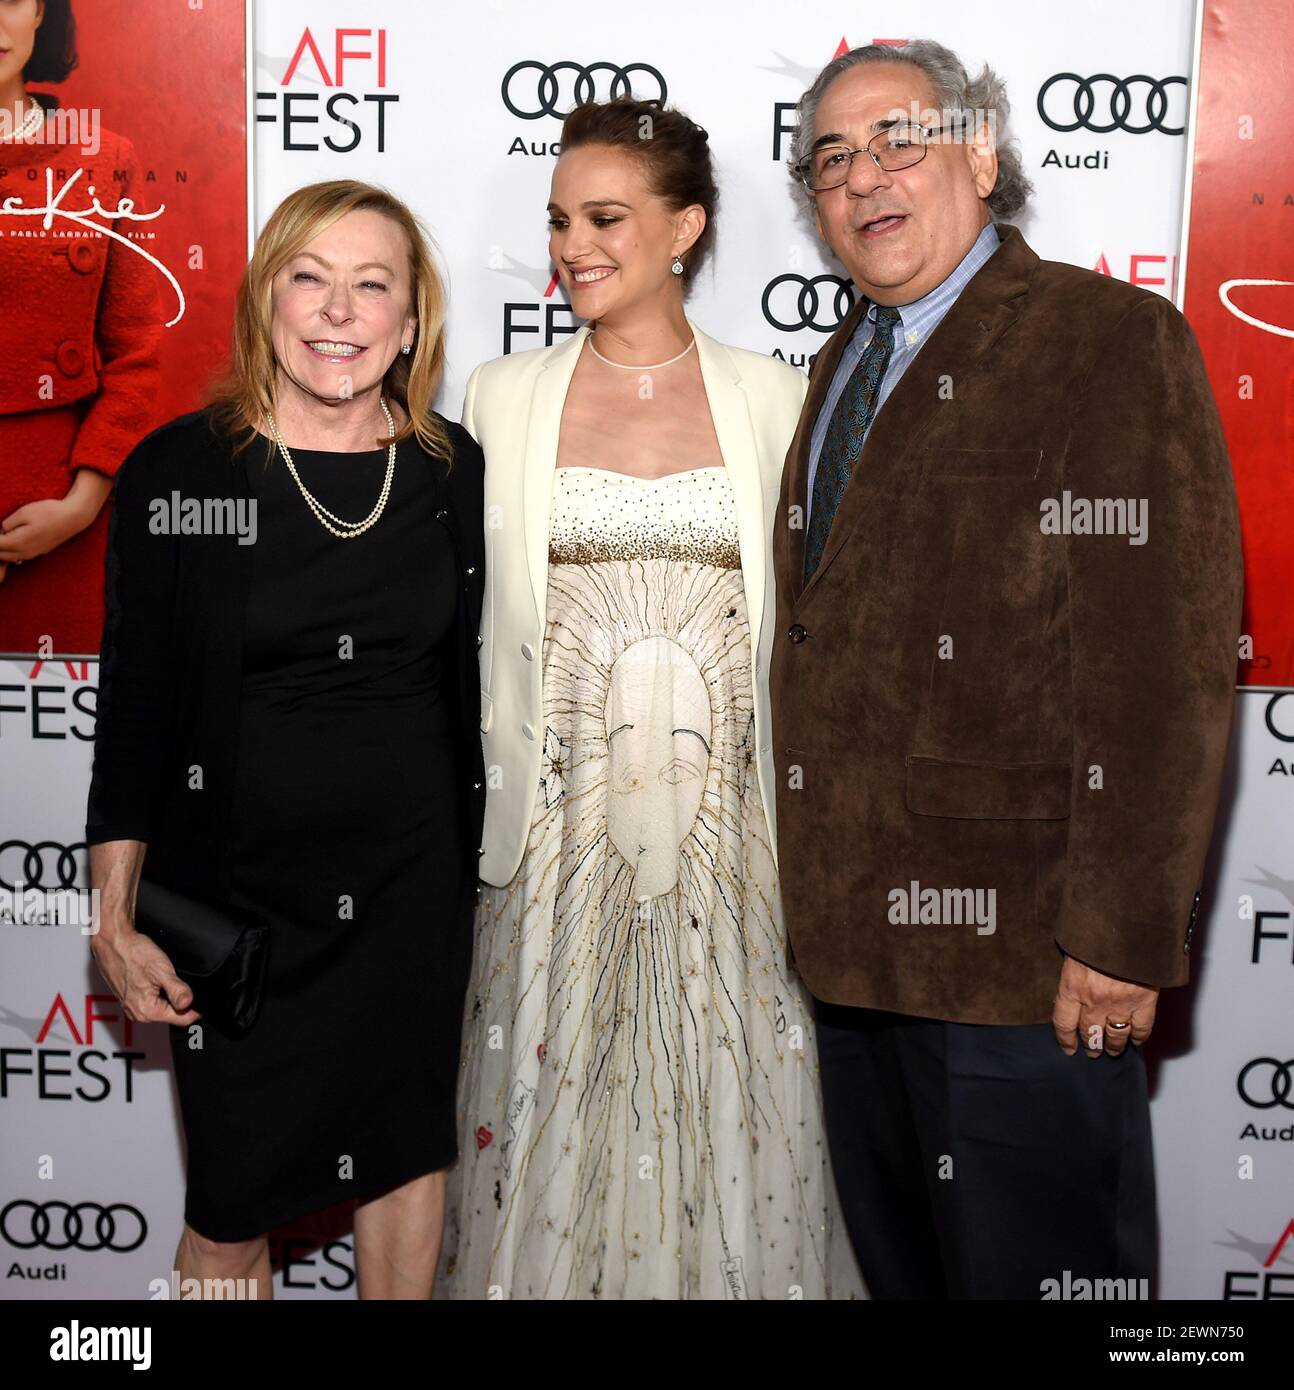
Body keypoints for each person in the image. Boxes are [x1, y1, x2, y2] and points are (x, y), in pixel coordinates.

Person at [771, 39, 1243, 1299]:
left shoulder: (1107, 340)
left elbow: (1161, 670)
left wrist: (1121, 940)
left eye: (897, 139)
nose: (862, 176)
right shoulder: (842, 362)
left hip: (1025, 966)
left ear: (980, 155)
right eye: (830, 158)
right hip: (856, 959)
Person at [439, 96, 858, 1299]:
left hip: (735, 845)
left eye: (605, 218)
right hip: (550, 844)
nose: (573, 246)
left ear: (684, 228)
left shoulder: (777, 397)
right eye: (559, 220)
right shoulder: (500, 393)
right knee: (547, 1110)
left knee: (733, 1112)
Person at [85, 179, 485, 1299]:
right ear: (265, 299)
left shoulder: (452, 472)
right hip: (235, 909)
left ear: (412, 320)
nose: (338, 310)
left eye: (372, 284)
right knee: (228, 1211)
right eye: (309, 277)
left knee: (404, 1162)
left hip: (409, 898)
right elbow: (135, 713)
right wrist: (114, 911)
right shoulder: (182, 472)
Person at [0, 0, 162, 655]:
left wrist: (81, 504)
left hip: (66, 526)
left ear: (40, 11)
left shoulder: (105, 159)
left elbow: (138, 353)